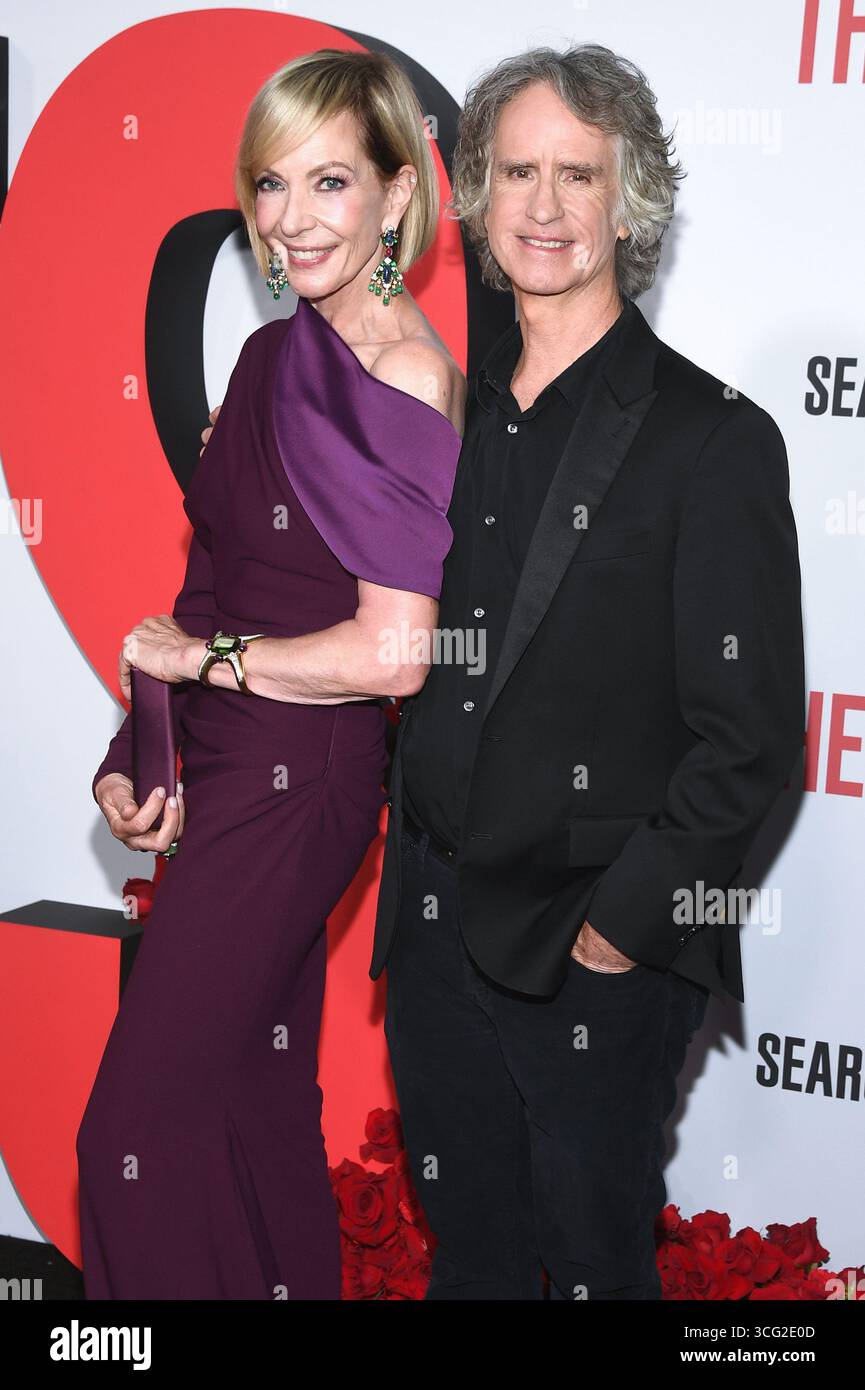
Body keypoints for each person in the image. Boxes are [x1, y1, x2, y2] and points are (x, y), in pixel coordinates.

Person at [369, 44, 805, 1300]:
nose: (544, 207)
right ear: (475, 195)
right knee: (474, 1264)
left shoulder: (711, 436)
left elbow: (749, 737)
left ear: (630, 204)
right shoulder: (440, 421)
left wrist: (619, 932)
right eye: (517, 172)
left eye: (577, 175)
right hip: (435, 934)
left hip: (587, 951)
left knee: (588, 1271)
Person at [78, 48, 463, 1300]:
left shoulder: (404, 376)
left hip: (310, 778)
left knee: (130, 1134)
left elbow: (395, 653)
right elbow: (208, 596)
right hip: (234, 763)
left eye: (331, 181)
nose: (291, 218)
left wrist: (213, 663)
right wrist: (149, 755)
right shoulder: (266, 358)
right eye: (270, 185)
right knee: (248, 1100)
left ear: (398, 197)